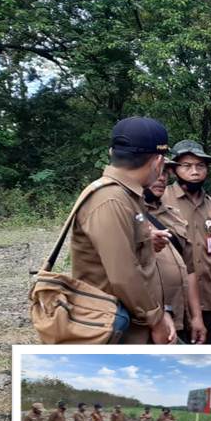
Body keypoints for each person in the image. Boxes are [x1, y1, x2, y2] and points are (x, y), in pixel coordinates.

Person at [69, 116, 176, 344]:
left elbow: (123, 249)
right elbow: (124, 275)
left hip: (131, 323)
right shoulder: (111, 200)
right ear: (158, 162)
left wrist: (146, 239)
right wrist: (156, 319)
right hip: (115, 331)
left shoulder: (127, 195)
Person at [163, 140, 211, 344]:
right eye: (187, 166)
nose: (195, 171)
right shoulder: (162, 200)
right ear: (172, 169)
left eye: (200, 166)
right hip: (174, 300)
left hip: (209, 297)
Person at [144, 163, 206, 343]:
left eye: (164, 172)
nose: (161, 177)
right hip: (151, 320)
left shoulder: (174, 215)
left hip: (181, 315)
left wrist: (196, 317)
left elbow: (190, 269)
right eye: (155, 171)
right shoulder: (128, 214)